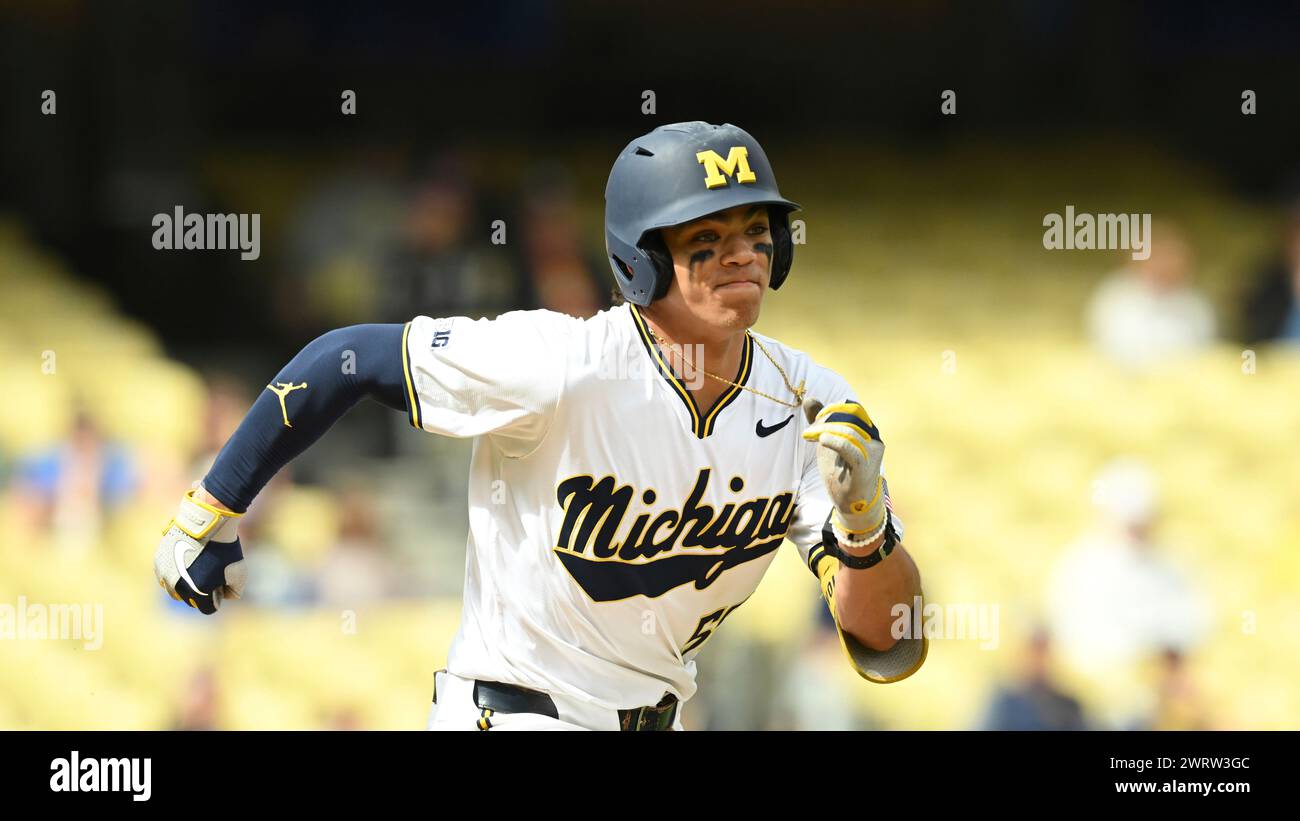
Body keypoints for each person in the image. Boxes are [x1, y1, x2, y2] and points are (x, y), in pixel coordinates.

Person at [153, 121, 927, 731]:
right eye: (707, 240)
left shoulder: (808, 400)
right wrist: (212, 507)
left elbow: (890, 642)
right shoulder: (562, 363)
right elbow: (345, 358)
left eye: (757, 231)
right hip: (517, 712)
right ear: (641, 263)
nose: (743, 255)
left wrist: (865, 525)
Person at [1086, 222, 1216, 369]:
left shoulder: (1196, 305)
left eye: (1172, 255)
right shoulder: (1116, 297)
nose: (1166, 263)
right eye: (1158, 255)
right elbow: (1114, 348)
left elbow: (1201, 351)